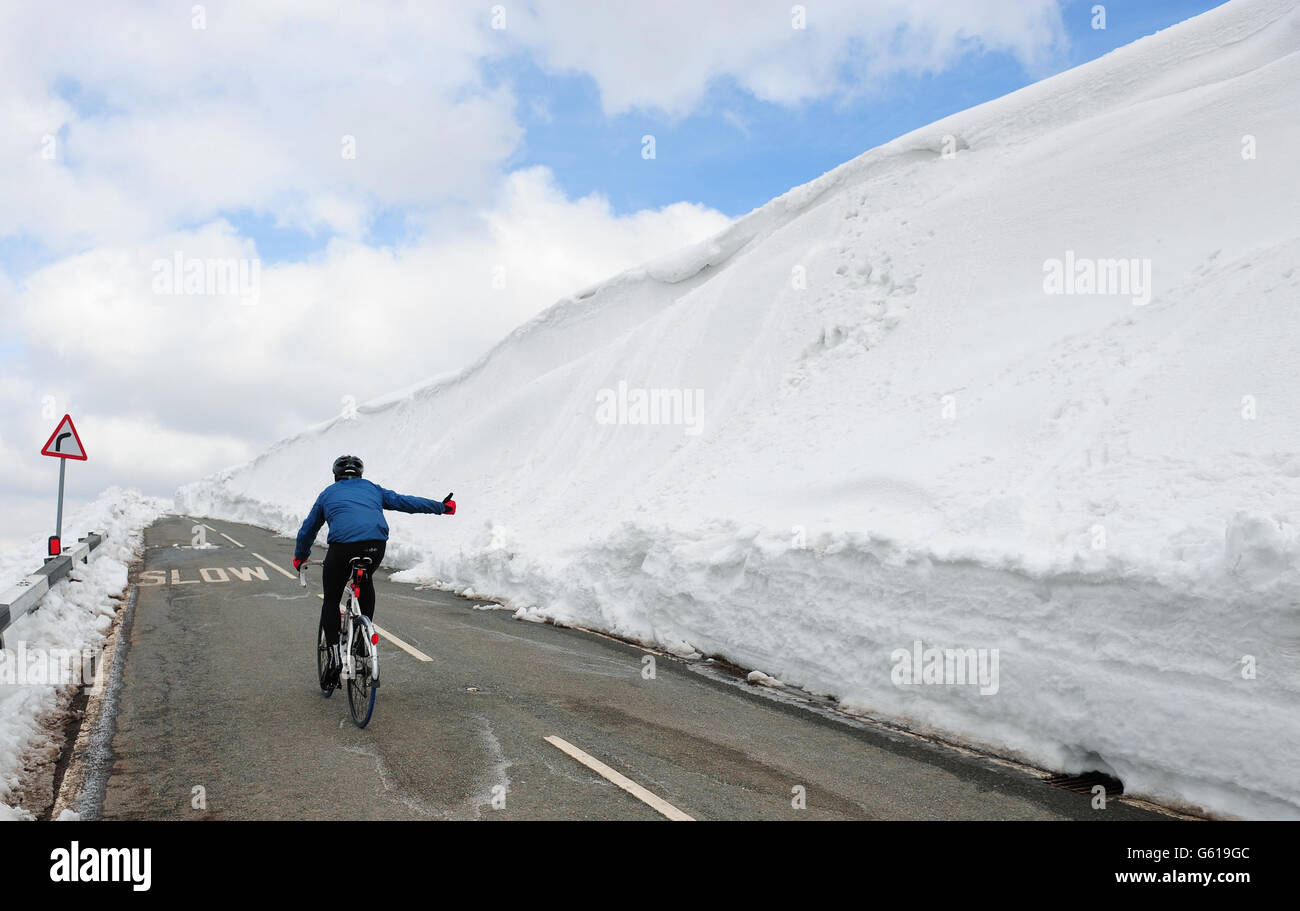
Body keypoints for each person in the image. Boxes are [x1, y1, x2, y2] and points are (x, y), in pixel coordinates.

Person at [293, 454, 455, 685]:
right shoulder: (372, 489)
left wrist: (300, 557)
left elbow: (308, 529)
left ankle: (334, 657)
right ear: (360, 474)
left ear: (336, 475)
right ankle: (363, 639)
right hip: (375, 546)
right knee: (365, 581)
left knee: (331, 598)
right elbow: (405, 502)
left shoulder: (327, 494)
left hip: (342, 548)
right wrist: (441, 507)